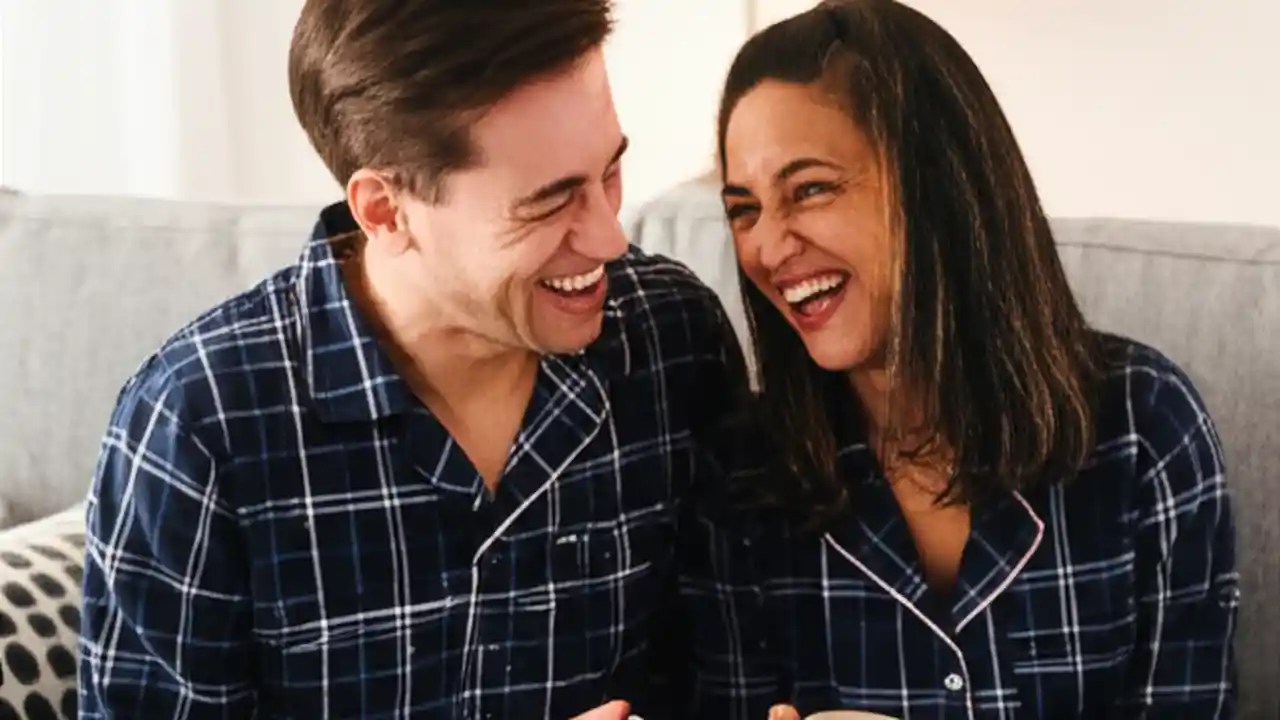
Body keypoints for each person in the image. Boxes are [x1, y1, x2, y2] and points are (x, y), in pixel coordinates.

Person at [79, 1, 740, 717]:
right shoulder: (199, 426)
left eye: (609, 172)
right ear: (385, 211)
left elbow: (736, 675)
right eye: (549, 205)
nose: (611, 237)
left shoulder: (673, 339)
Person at [678, 1, 1239, 718]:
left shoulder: (1145, 430)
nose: (768, 245)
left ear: (936, 181)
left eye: (811, 188)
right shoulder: (744, 476)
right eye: (743, 208)